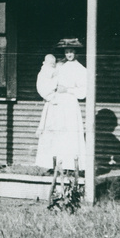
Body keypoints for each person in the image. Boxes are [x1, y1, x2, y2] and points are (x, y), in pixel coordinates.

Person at [35, 38, 87, 171]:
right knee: (53, 132)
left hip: (69, 103)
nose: (69, 54)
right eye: (67, 51)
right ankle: (52, 165)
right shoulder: (59, 66)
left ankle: (70, 166)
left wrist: (68, 90)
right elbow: (47, 78)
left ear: (76, 52)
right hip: (56, 103)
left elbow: (83, 92)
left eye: (72, 51)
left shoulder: (81, 69)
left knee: (68, 134)